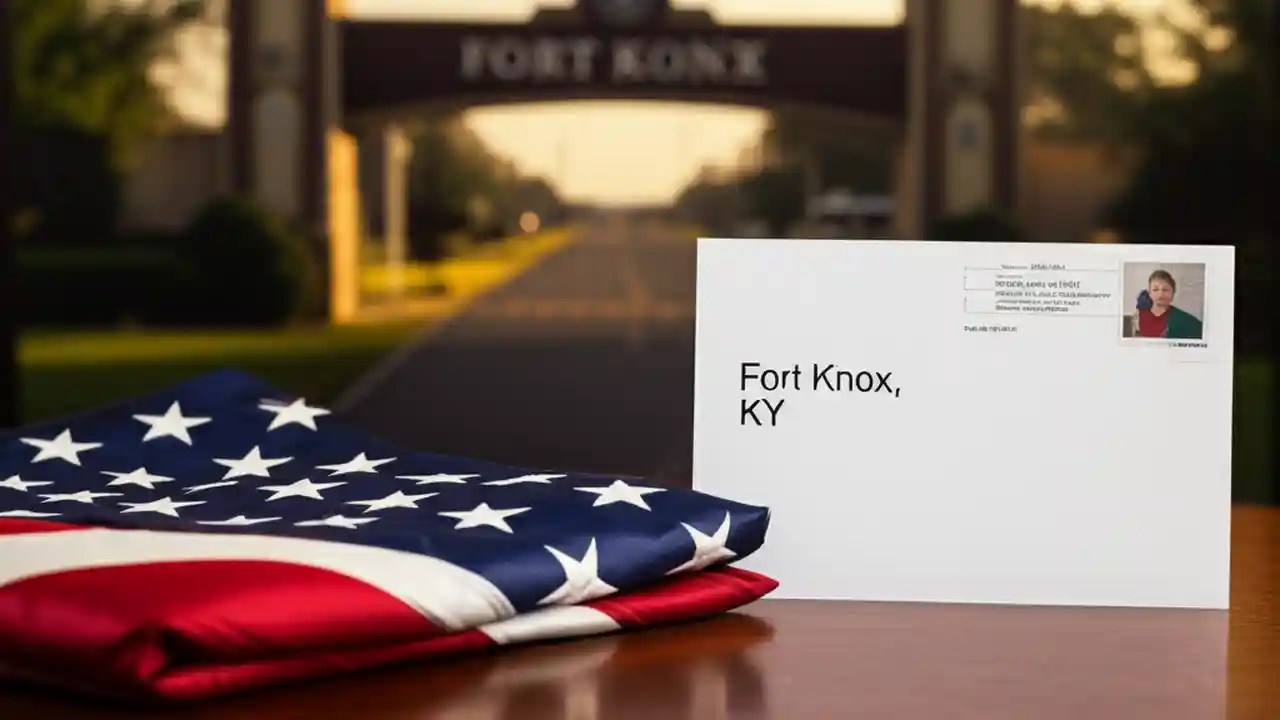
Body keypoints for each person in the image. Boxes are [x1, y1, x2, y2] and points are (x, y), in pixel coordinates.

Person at [1134, 269, 1203, 339]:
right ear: (1149, 293)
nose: (1160, 294)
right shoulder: (1140, 315)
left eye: (1165, 290)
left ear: (1173, 293)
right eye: (1155, 289)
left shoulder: (1183, 320)